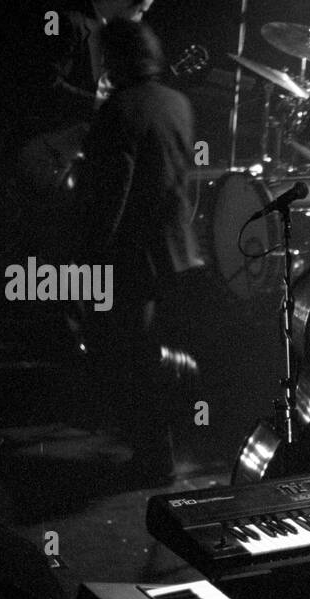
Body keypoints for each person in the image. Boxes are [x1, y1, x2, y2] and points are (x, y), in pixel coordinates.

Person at [74, 19, 201, 484]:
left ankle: (154, 456)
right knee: (140, 347)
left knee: (126, 352)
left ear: (118, 59)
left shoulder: (119, 110)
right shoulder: (178, 103)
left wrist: (87, 257)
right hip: (174, 248)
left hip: (131, 253)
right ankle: (158, 434)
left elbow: (113, 191)